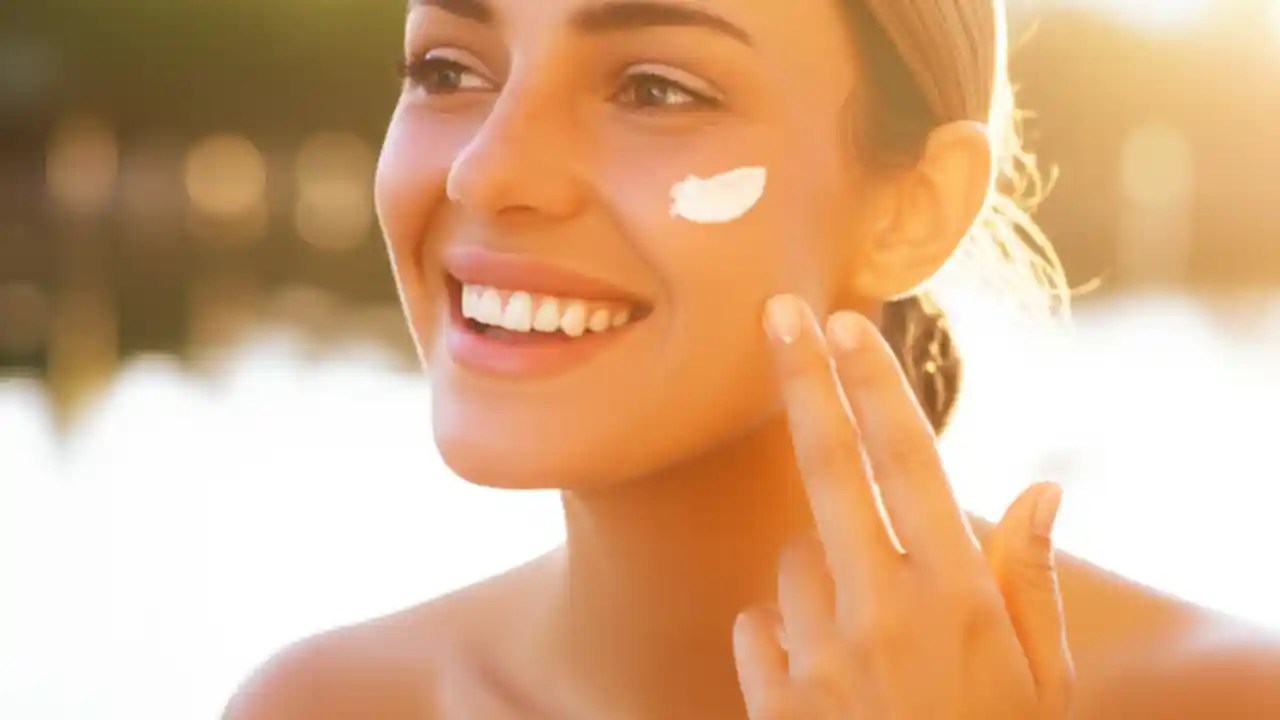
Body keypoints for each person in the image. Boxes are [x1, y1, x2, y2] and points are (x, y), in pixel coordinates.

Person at [224, 0, 1280, 717]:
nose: (486, 169)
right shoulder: (324, 706)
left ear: (909, 209)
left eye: (653, 89)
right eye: (445, 69)